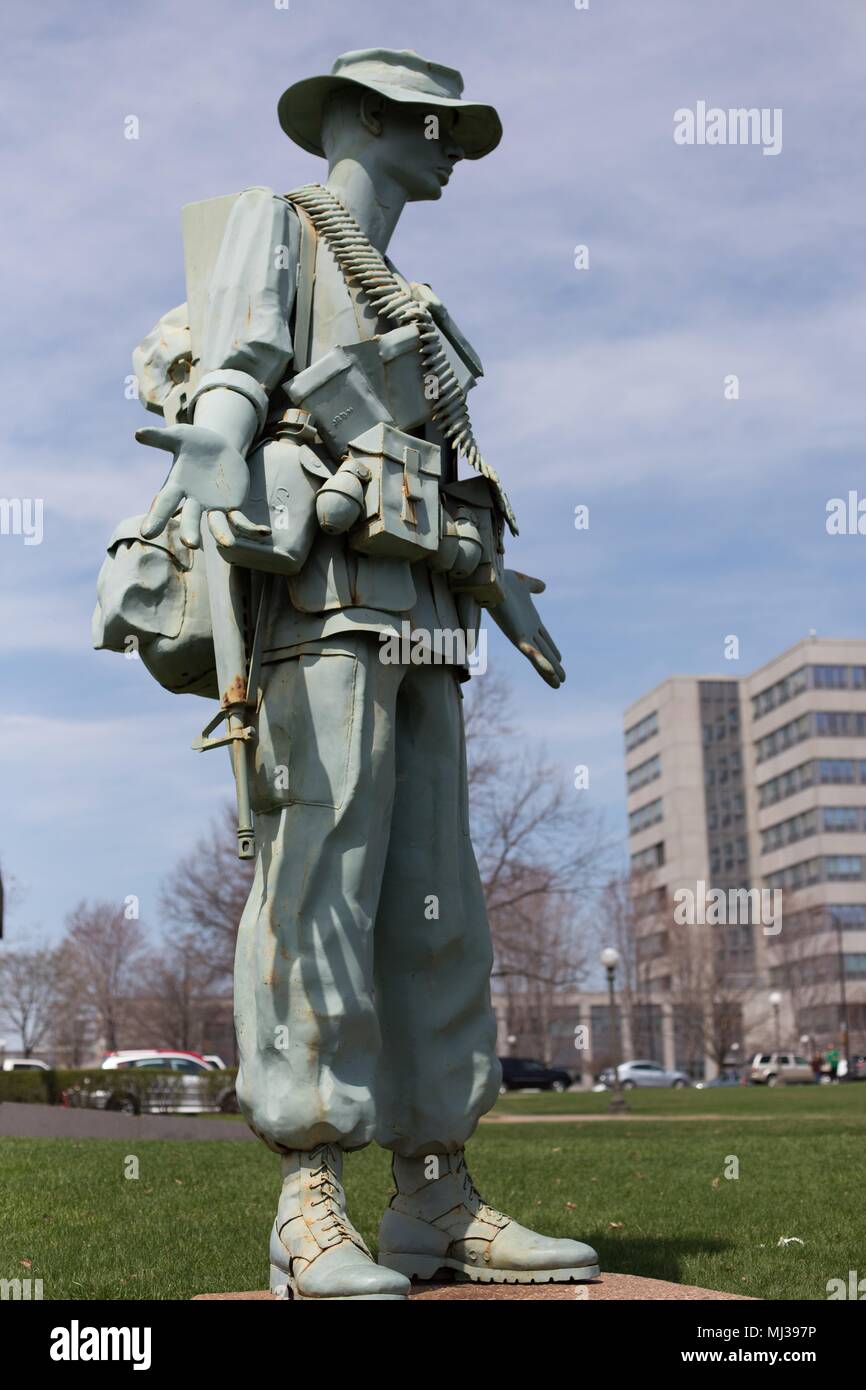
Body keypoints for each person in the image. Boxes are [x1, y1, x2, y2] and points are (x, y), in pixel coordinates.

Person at [108, 49, 599, 1301]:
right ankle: (307, 1200)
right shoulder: (278, 227)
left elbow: (442, 462)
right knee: (317, 888)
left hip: (427, 621)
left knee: (439, 907)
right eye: (433, 126)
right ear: (367, 120)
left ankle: (434, 1196)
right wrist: (216, 447)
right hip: (319, 615)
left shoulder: (414, 304)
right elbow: (233, 368)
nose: (449, 149)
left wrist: (497, 582)